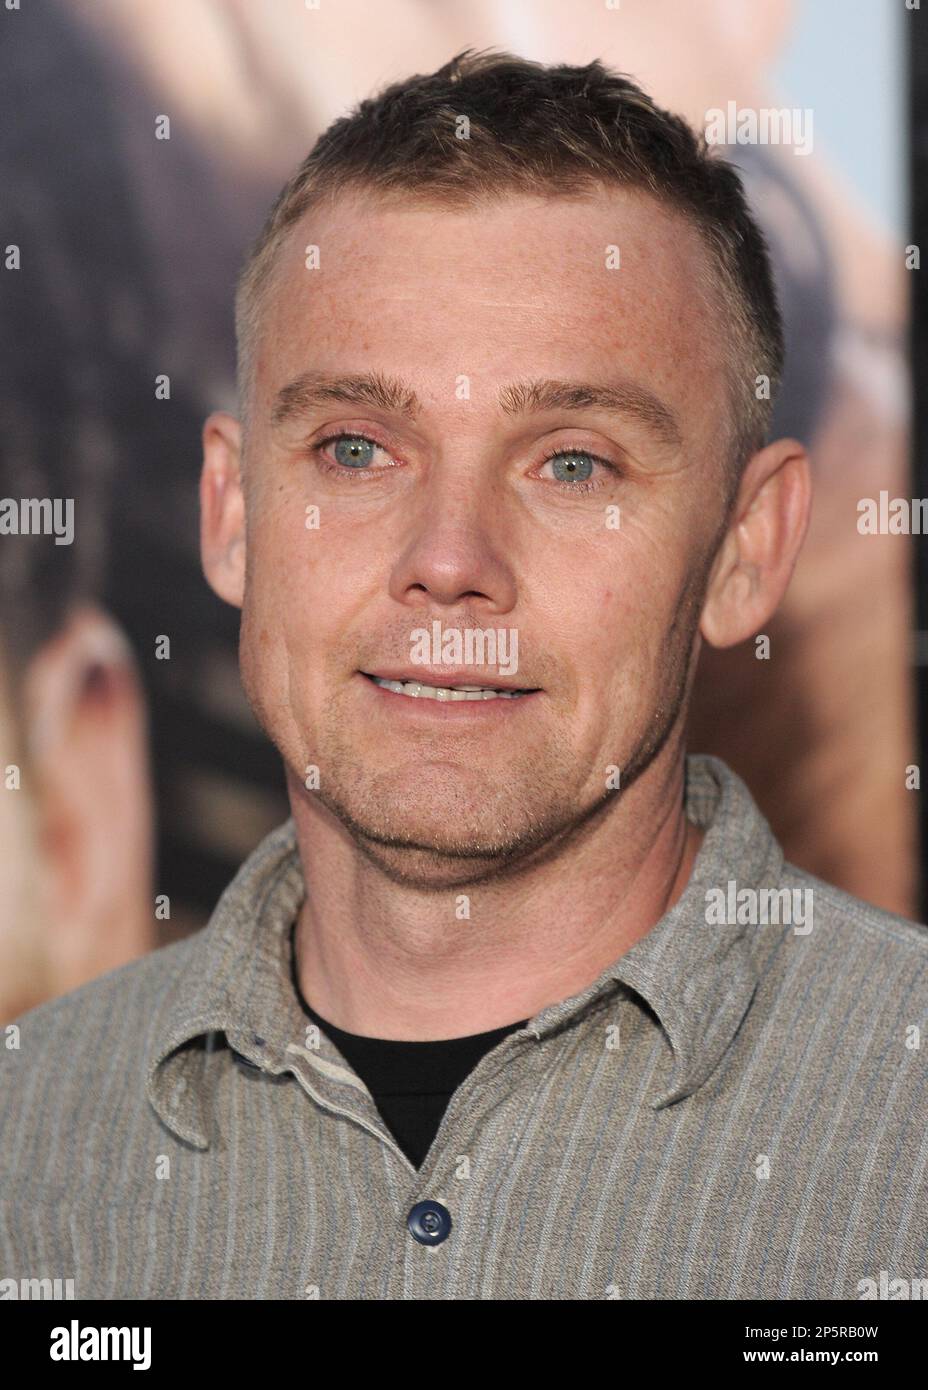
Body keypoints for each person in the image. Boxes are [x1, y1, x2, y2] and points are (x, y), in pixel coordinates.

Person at [2, 50, 925, 1301]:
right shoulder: (26, 1144)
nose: (448, 563)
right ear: (233, 510)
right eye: (354, 446)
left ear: (746, 548)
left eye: (573, 465)